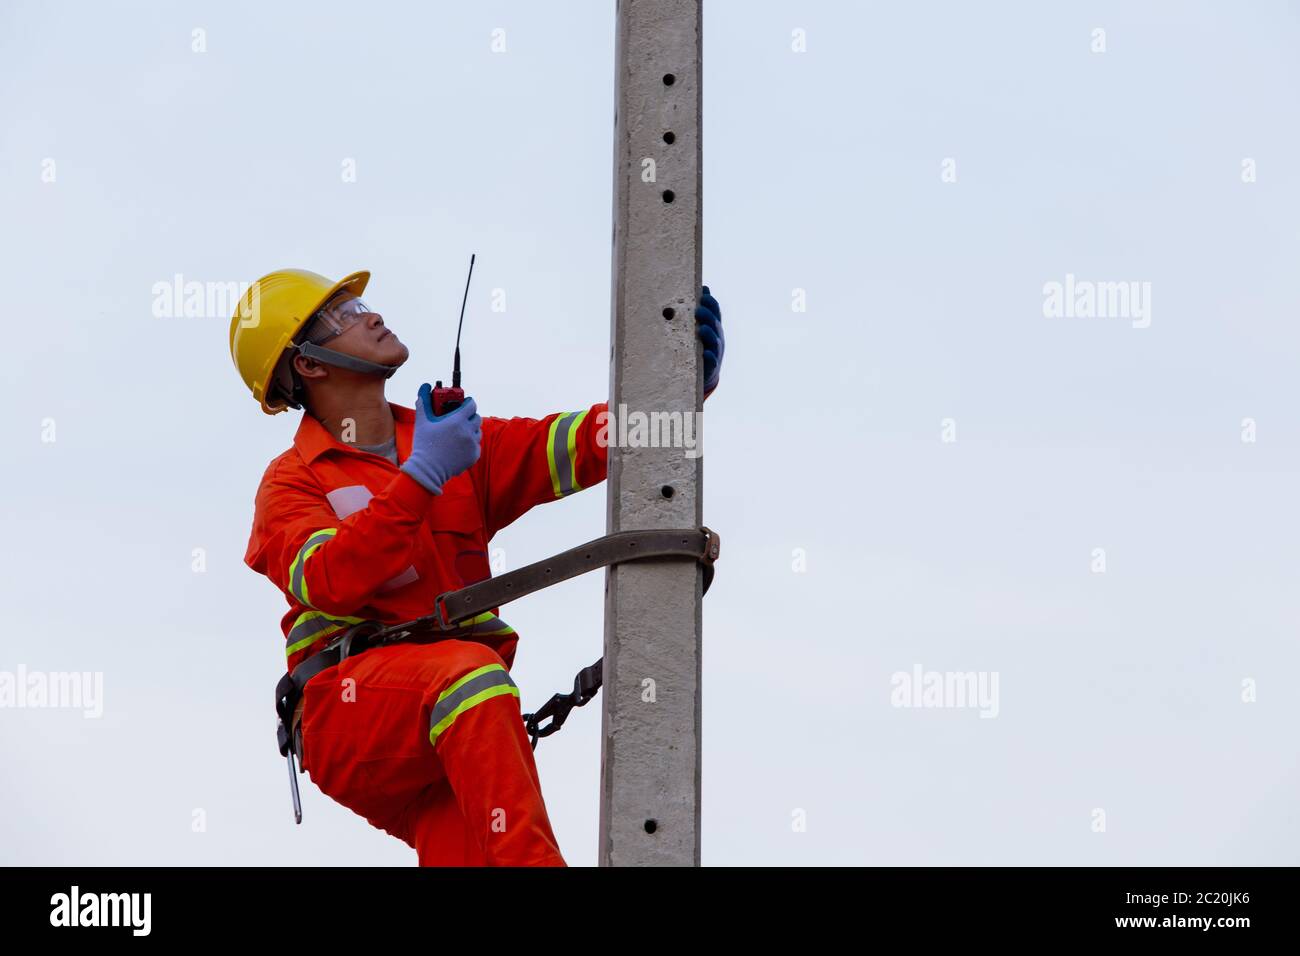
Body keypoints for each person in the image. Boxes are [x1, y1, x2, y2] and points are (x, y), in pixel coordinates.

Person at [228, 268, 724, 865]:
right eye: (344, 314)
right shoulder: (293, 482)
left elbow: (575, 443)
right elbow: (330, 578)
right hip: (353, 711)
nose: (372, 315)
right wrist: (421, 479)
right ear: (308, 364)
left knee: (471, 848)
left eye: (360, 302)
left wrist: (678, 391)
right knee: (472, 678)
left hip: (453, 729)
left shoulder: (452, 445)